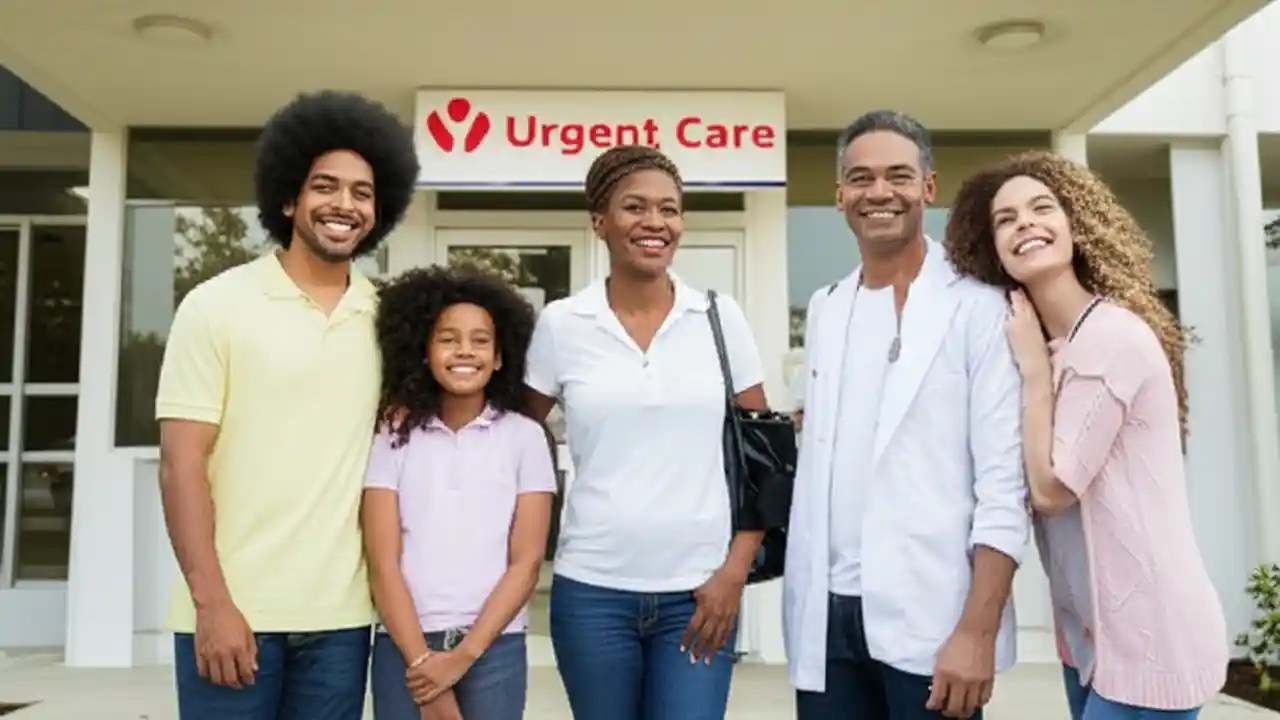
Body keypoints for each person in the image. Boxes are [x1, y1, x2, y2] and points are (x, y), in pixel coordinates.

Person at [154, 90, 419, 719]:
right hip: (232, 613)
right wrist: (211, 602)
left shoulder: (388, 320)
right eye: (325, 186)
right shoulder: (216, 305)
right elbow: (180, 465)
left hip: (342, 620)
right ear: (287, 198)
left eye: (362, 192)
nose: (344, 205)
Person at [944, 150, 1228, 719]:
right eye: (1005, 219)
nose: (1024, 223)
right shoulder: (1053, 346)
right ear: (991, 248)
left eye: (1041, 208)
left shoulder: (1108, 341)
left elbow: (1052, 492)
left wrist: (1030, 370)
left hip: (1150, 639)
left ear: (1077, 224)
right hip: (1092, 640)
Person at [783, 110, 1029, 720]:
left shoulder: (978, 308)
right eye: (860, 178)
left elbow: (1005, 483)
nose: (879, 193)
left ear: (928, 187)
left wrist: (977, 631)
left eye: (898, 175)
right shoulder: (827, 307)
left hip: (934, 615)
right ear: (840, 195)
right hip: (830, 616)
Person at [523, 144, 769, 720]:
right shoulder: (563, 324)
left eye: (670, 209)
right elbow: (513, 436)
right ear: (599, 221)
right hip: (592, 592)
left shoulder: (717, 316)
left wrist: (735, 572)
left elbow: (764, 455)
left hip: (700, 591)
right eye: (635, 207)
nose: (655, 222)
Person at [362, 266, 556, 720]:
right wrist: (425, 669)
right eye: (448, 339)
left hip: (493, 649)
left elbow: (526, 564)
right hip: (404, 644)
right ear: (425, 353)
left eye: (480, 340)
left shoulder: (525, 437)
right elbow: (382, 562)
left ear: (500, 356)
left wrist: (462, 658)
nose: (464, 351)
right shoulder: (391, 436)